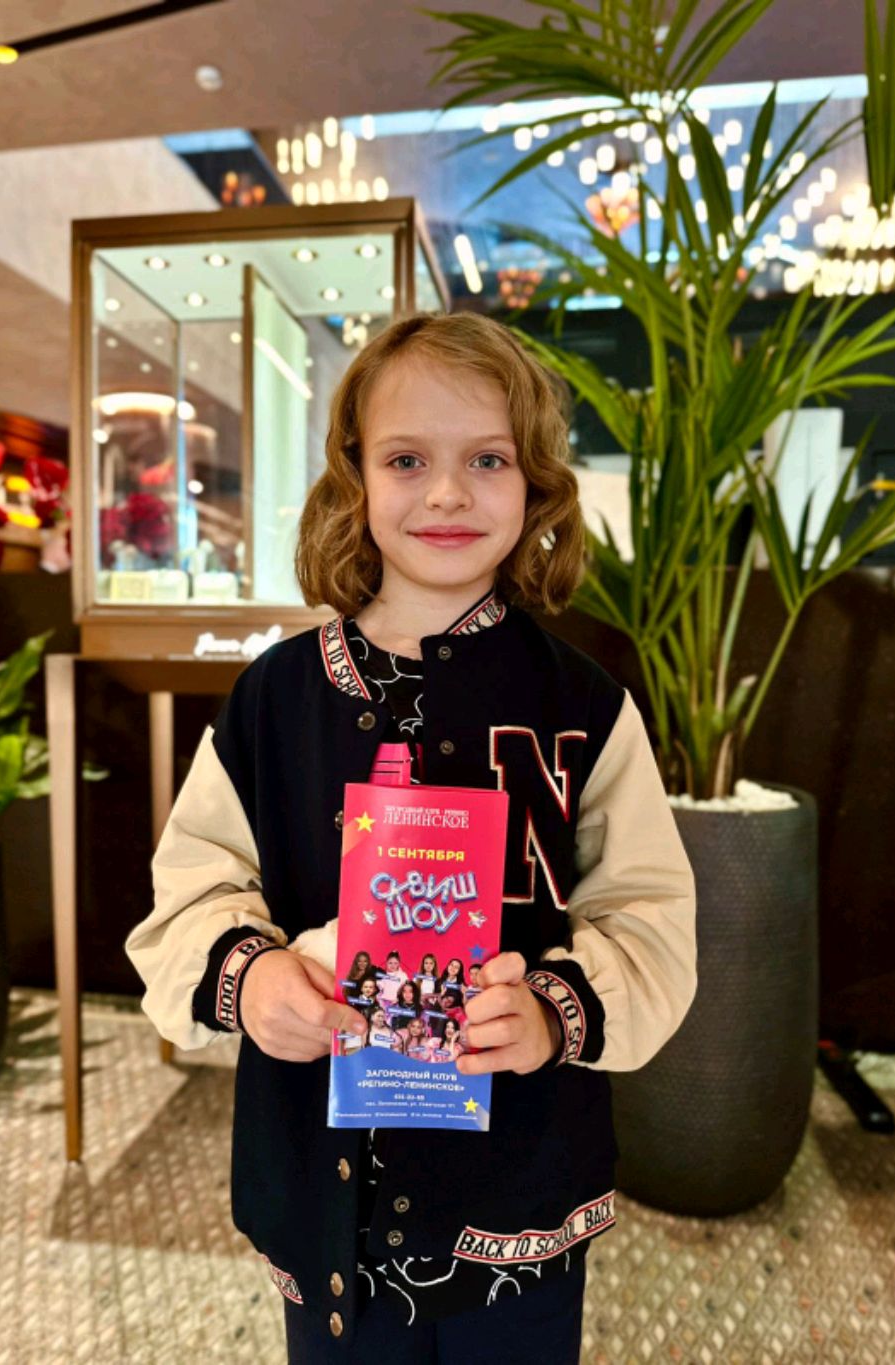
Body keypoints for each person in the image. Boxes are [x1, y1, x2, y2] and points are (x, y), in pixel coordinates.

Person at [124, 310, 697, 1363]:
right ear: (353, 475)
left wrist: (551, 1011)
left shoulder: (586, 706)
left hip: (516, 1195)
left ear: (536, 483)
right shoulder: (273, 700)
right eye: (406, 460)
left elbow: (650, 920)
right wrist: (252, 980)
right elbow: (190, 894)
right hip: (320, 1176)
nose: (445, 494)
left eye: (487, 459)